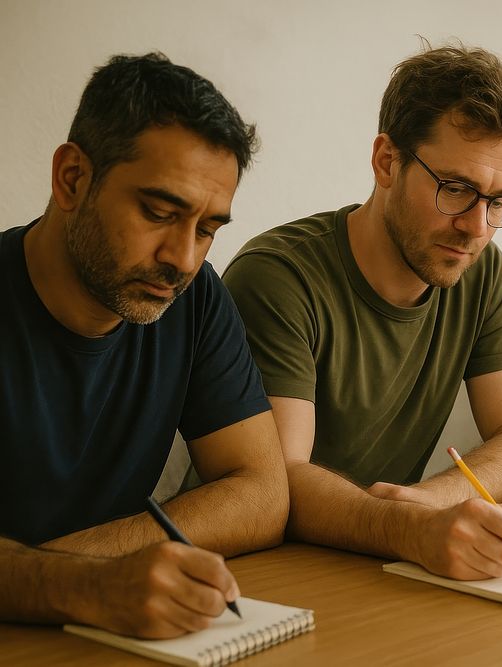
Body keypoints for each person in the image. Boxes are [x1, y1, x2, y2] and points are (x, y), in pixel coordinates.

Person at [224, 43, 502, 580]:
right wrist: (408, 527)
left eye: (499, 202)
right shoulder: (279, 277)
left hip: (379, 564)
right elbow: (278, 479)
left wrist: (430, 501)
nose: (476, 228)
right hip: (263, 569)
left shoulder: (481, 269)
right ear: (386, 162)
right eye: (455, 189)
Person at [0, 53, 288, 639]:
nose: (183, 258)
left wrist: (82, 571)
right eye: (159, 213)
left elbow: (261, 492)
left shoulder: (194, 297)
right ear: (72, 179)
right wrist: (87, 583)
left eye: (208, 229)